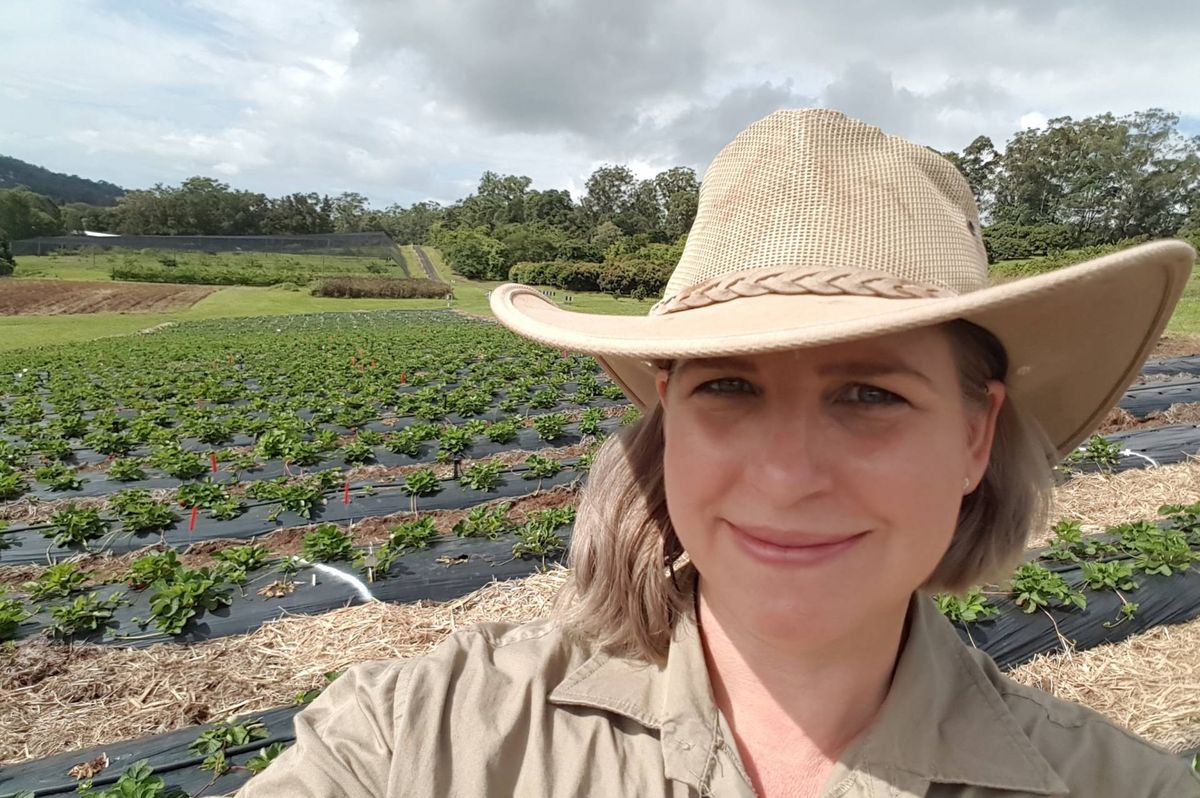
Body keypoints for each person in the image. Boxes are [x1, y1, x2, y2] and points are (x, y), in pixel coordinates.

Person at [235, 109, 1199, 797]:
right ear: (667, 419)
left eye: (870, 395)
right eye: (727, 388)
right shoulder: (422, 736)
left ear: (975, 435)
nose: (784, 477)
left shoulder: (1115, 783)